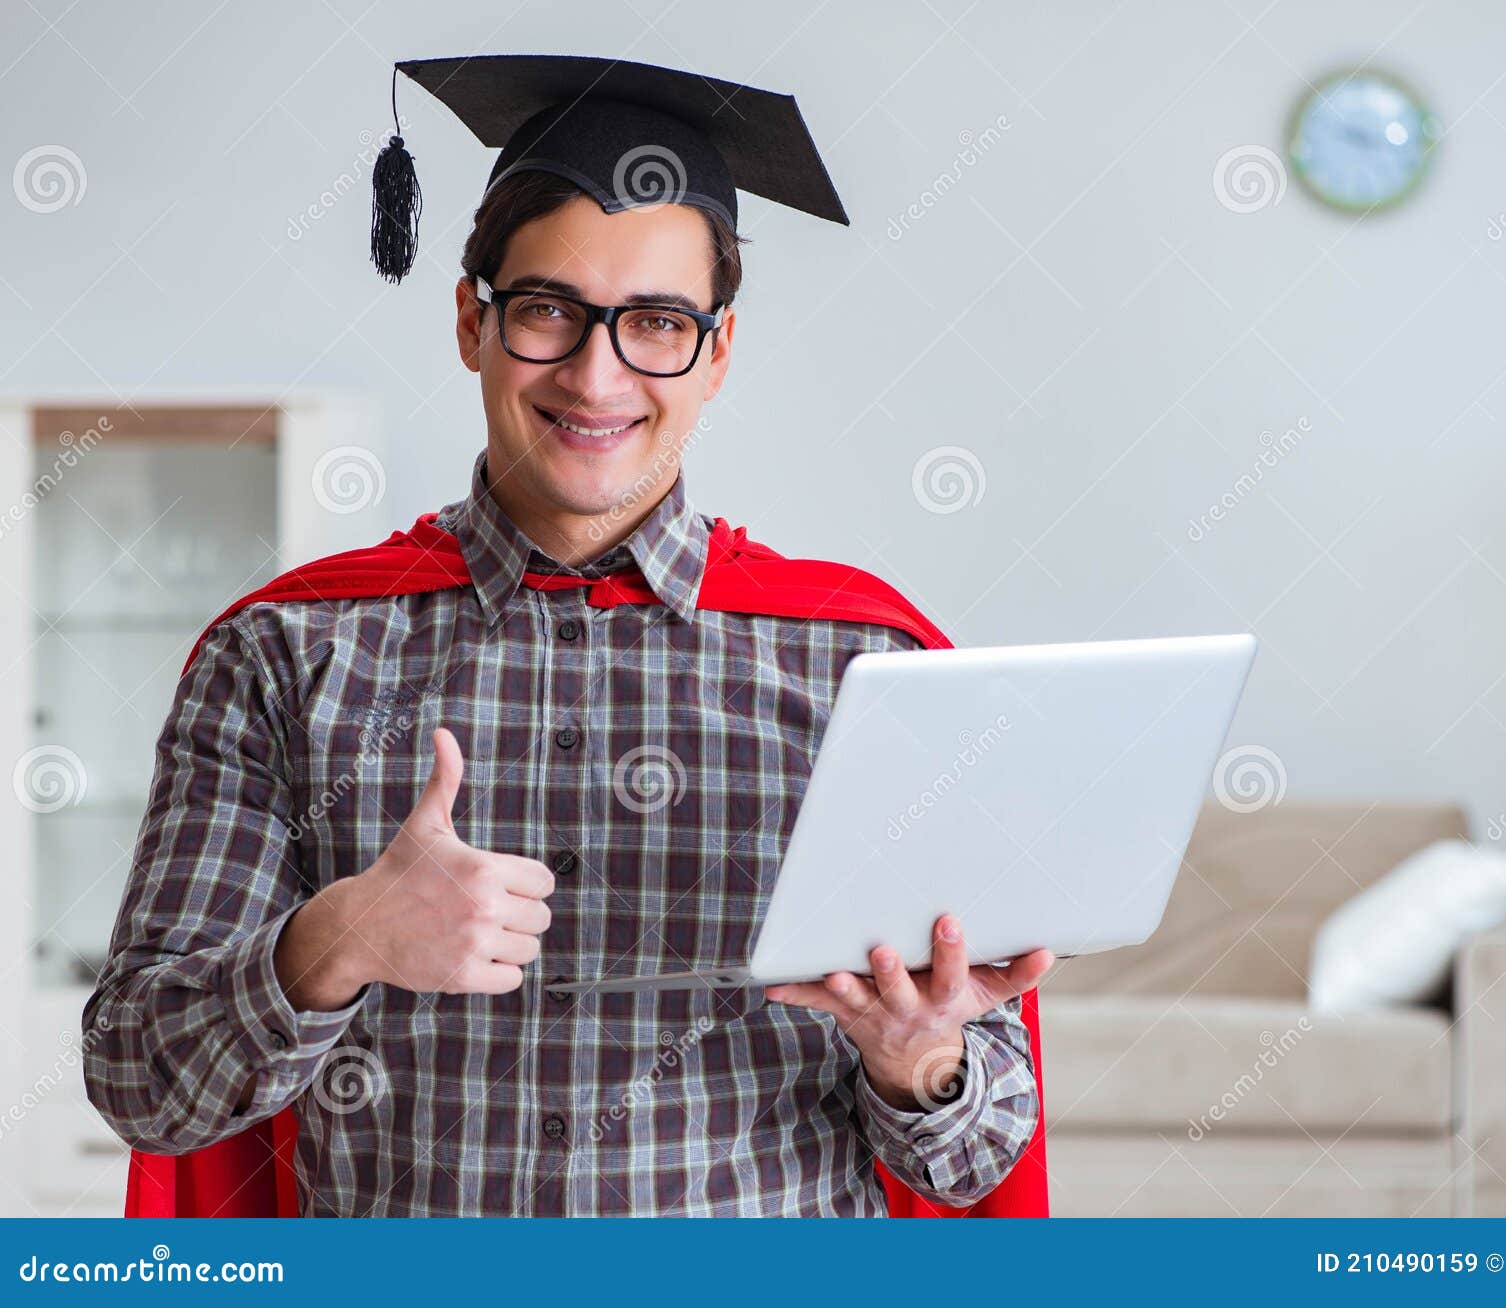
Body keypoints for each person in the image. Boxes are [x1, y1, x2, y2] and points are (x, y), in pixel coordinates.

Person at [83, 53, 1053, 1218]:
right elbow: (141, 1085)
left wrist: (920, 1063)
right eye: (547, 310)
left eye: (655, 323)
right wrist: (337, 937)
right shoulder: (284, 655)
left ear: (717, 353)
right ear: (470, 321)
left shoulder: (870, 674)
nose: (597, 377)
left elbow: (977, 1161)